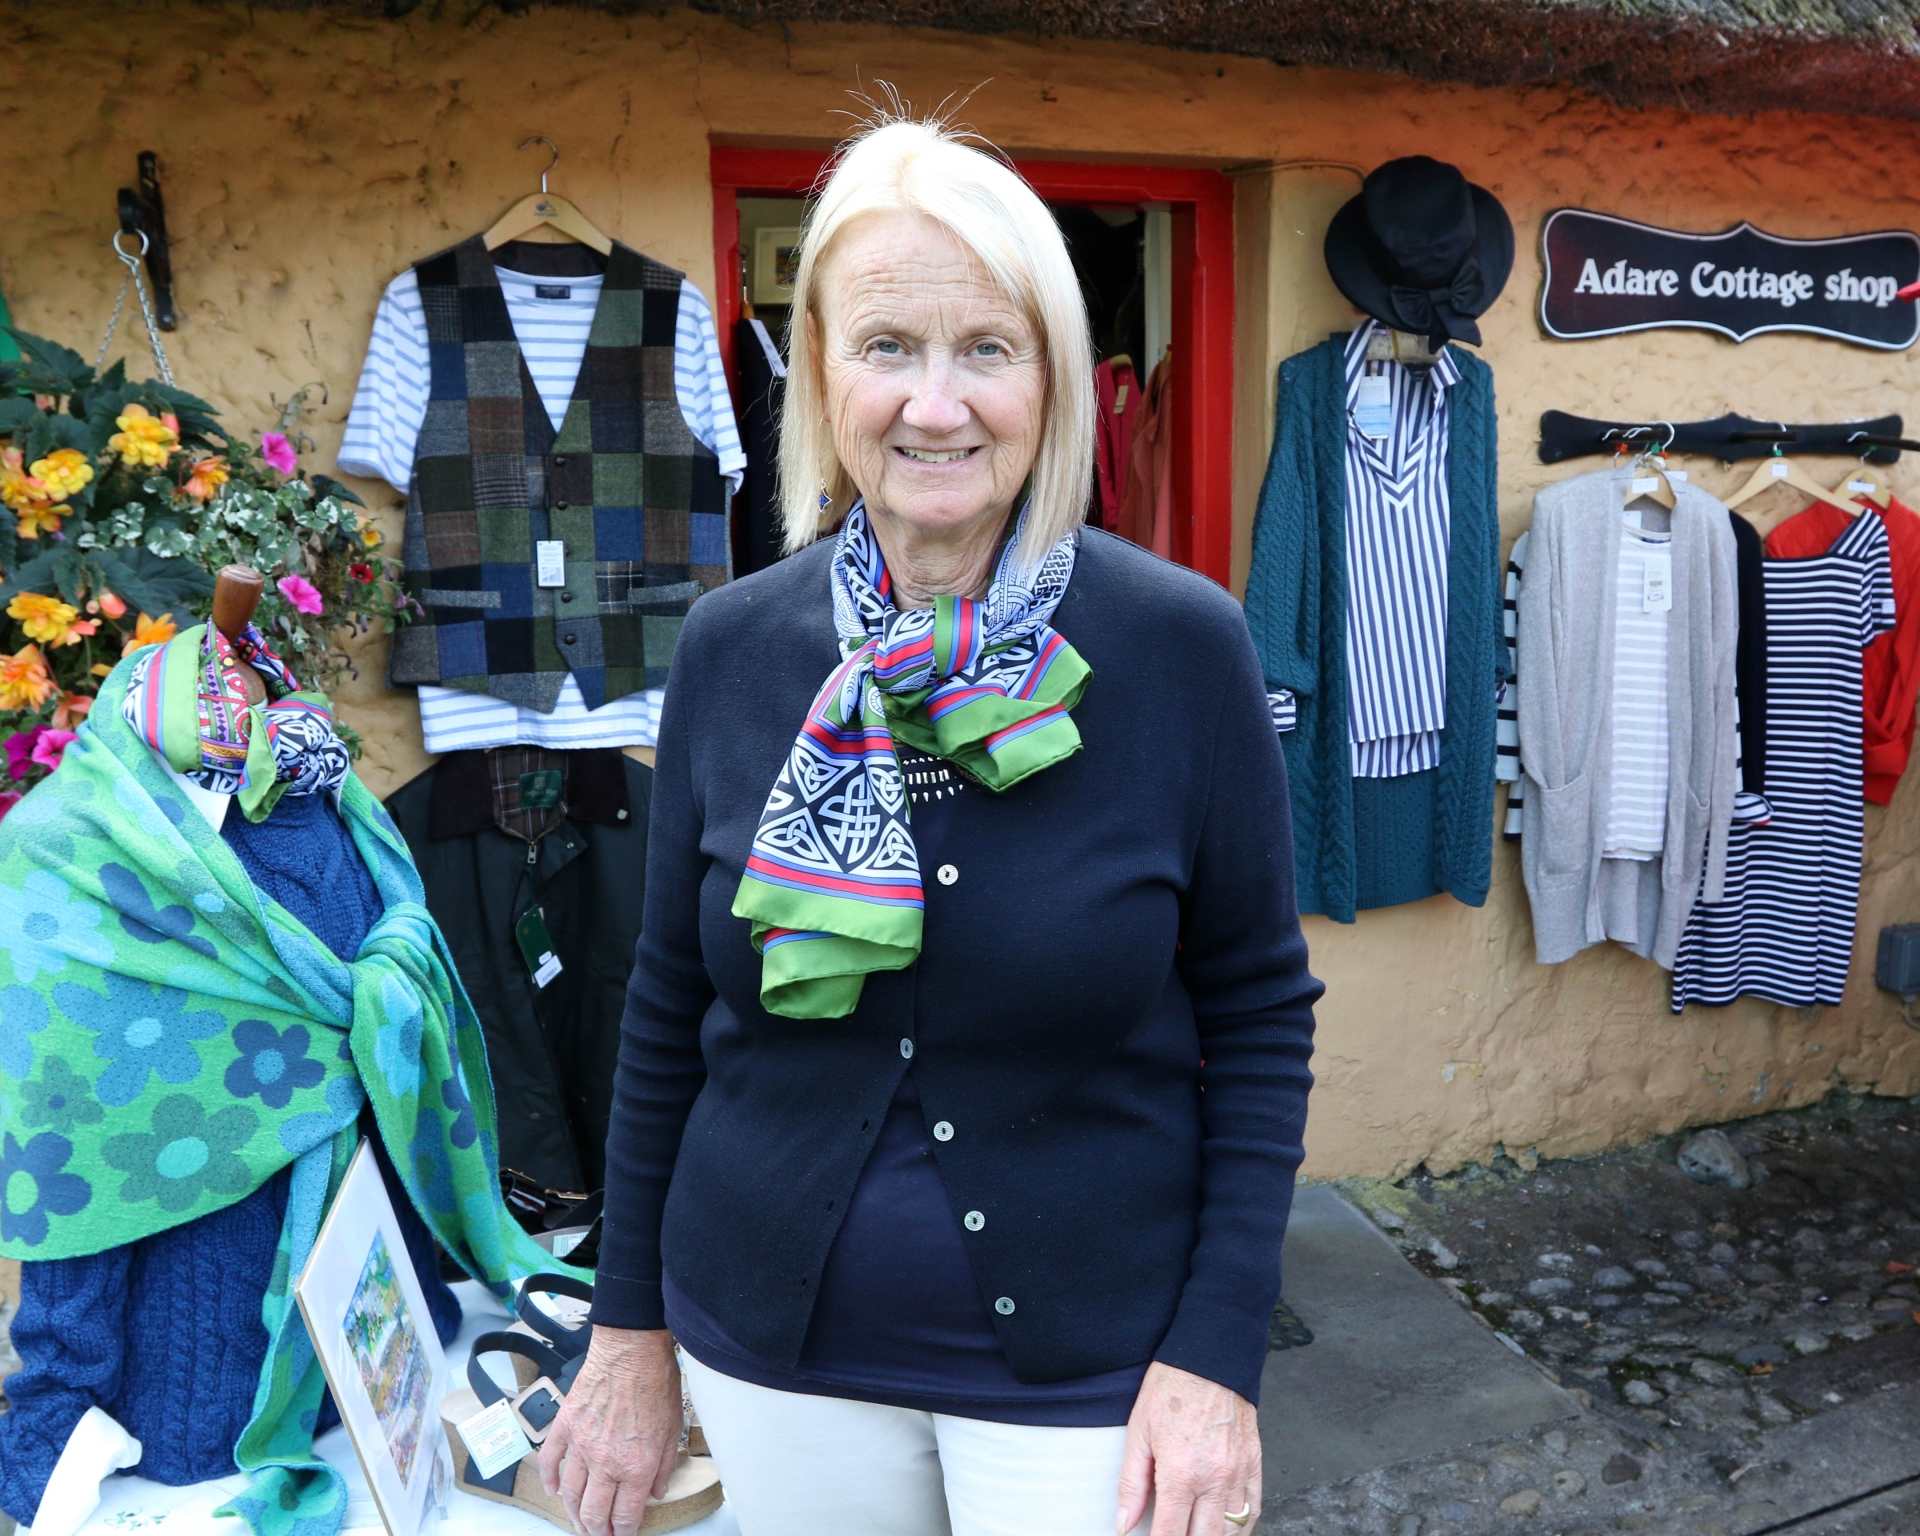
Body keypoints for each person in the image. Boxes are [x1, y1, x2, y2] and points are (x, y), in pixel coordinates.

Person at [540, 113, 1321, 1536]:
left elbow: (1259, 1017)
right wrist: (627, 1336)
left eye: (987, 349)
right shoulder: (731, 648)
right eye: (889, 346)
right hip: (772, 1358)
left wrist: (1217, 1357)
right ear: (821, 373)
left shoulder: (1182, 649)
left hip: (1093, 1366)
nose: (936, 405)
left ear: (1056, 380)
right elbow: (662, 1012)